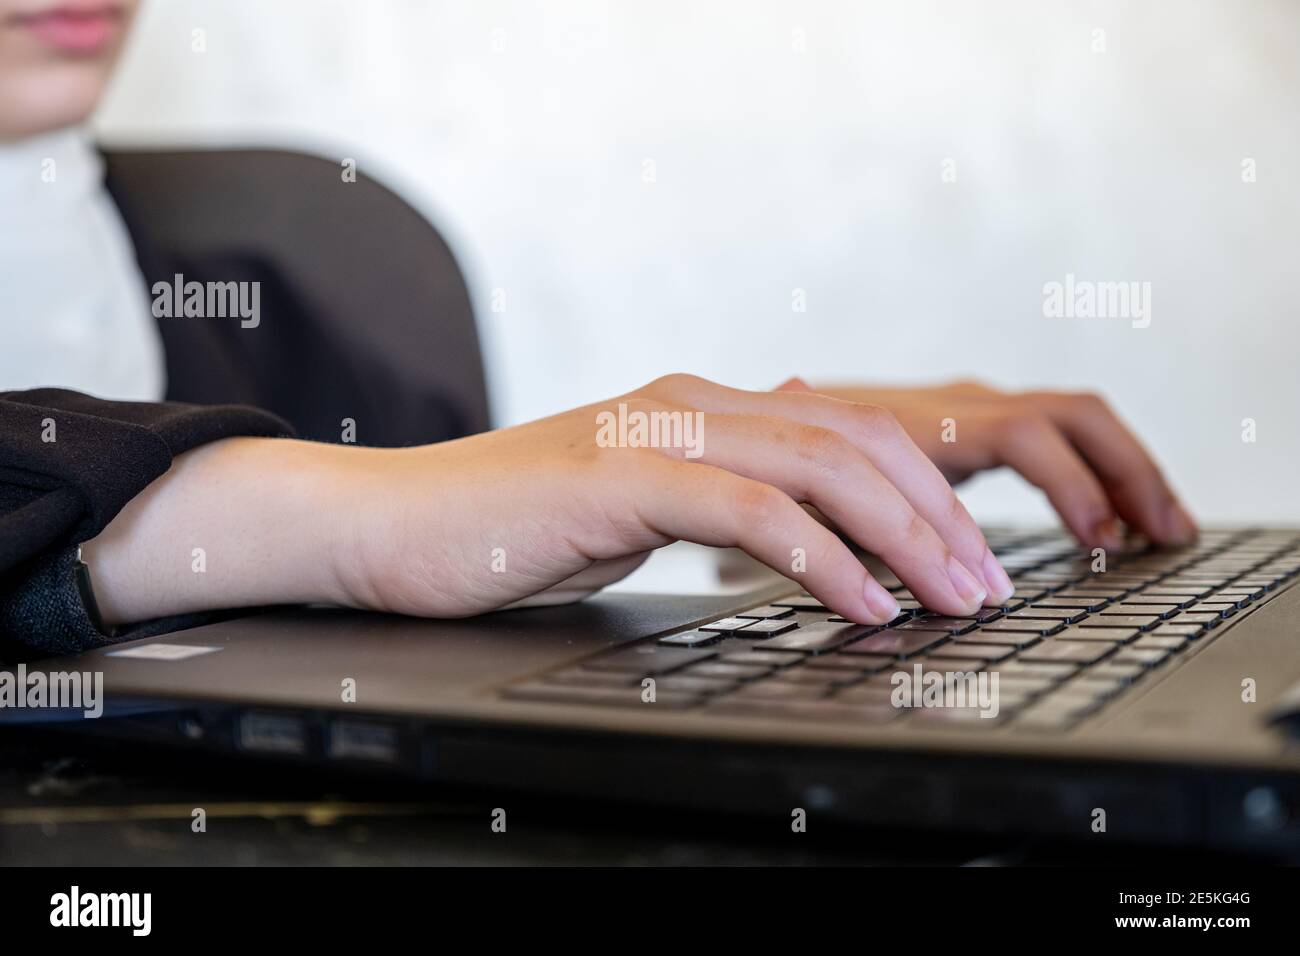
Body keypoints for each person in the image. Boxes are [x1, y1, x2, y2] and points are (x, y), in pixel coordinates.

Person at [0, 0, 1196, 660]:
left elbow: (452, 514)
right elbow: (383, 512)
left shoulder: (276, 289)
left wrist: (740, 472)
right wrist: (351, 521)